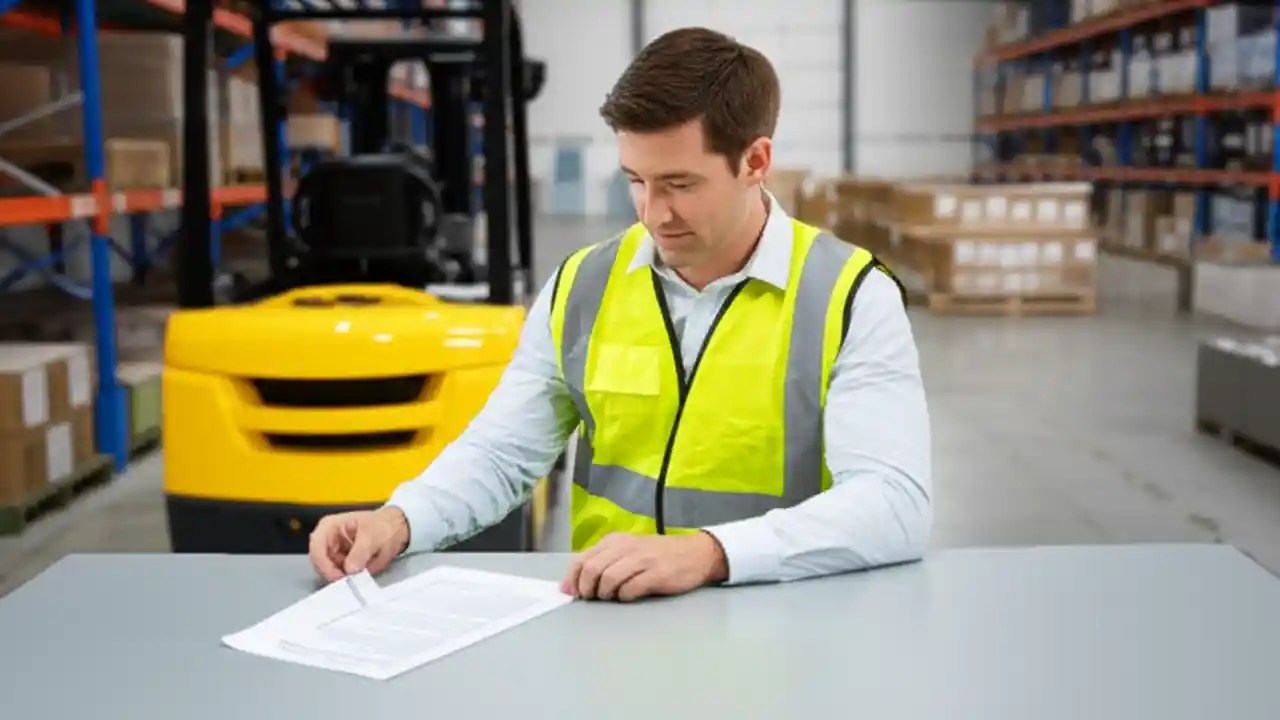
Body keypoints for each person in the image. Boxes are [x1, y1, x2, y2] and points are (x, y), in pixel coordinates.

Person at [308, 26, 932, 602]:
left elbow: (894, 504)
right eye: (636, 180)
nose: (652, 213)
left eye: (680, 184)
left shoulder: (849, 296)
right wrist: (400, 519)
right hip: (611, 624)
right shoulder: (583, 285)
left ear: (756, 161)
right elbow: (502, 453)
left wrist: (711, 553)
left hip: (779, 617)